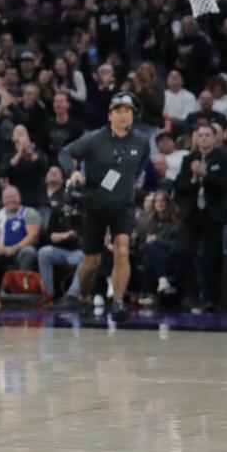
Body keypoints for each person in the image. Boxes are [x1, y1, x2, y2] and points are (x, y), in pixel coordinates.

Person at [57, 91, 146, 321]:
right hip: (94, 205)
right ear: (109, 115)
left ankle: (118, 301)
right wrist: (73, 170)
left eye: (127, 111)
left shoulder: (141, 141)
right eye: (118, 111)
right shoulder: (95, 138)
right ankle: (85, 297)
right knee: (91, 260)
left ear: (133, 116)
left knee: (123, 248)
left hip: (123, 205)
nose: (123, 115)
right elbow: (66, 152)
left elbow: (139, 168)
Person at [172, 121, 227, 312]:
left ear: (216, 138)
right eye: (200, 135)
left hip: (213, 214)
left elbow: (225, 186)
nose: (203, 139)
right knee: (182, 251)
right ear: (195, 138)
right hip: (192, 213)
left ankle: (212, 298)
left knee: (212, 258)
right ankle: (192, 294)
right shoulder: (188, 159)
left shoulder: (225, 158)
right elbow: (179, 188)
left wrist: (206, 175)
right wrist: (193, 180)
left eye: (207, 135)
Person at [38, 166, 84, 308]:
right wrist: (66, 235)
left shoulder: (86, 210)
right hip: (60, 250)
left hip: (78, 251)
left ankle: (72, 295)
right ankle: (48, 295)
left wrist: (78, 236)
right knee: (43, 252)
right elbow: (49, 236)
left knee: (86, 256)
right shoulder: (58, 209)